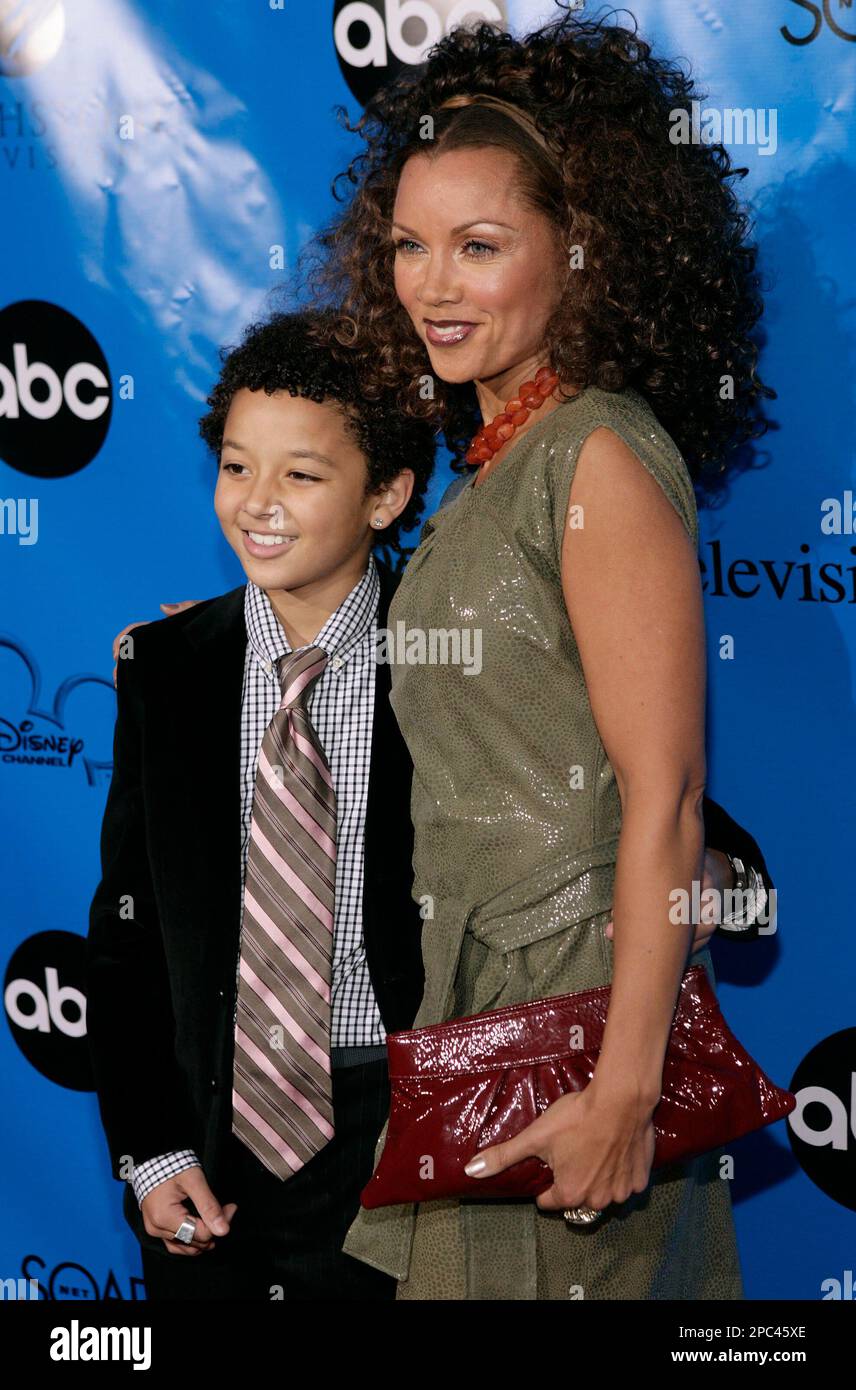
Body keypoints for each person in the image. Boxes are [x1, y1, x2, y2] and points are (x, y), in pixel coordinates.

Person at [289, 9, 778, 1299]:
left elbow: (665, 803)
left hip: (572, 1029)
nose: (430, 284)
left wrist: (623, 1095)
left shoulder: (597, 456)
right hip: (479, 1015)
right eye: (407, 244)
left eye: (478, 247)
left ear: (585, 254)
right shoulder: (495, 458)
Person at [85, 308, 437, 1300]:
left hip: (401, 1145)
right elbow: (126, 936)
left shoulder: (455, 656)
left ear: (387, 494)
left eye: (302, 474)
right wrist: (151, 1153)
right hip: (214, 1146)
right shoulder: (164, 668)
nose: (257, 505)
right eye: (237, 467)